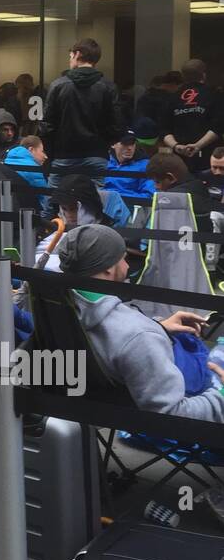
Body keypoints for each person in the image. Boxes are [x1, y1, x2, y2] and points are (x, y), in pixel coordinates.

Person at [60, 224, 224, 421]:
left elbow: (115, 340)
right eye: (123, 259)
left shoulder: (55, 305)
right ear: (109, 268)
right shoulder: (138, 336)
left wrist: (160, 327)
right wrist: (221, 396)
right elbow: (172, 415)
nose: (128, 266)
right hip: (195, 390)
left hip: (96, 397)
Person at [42, 38, 122, 186]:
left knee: (54, 201)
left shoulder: (58, 85)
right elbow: (116, 125)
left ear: (77, 54)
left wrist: (52, 151)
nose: (70, 60)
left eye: (70, 56)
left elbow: (47, 125)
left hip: (64, 155)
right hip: (96, 154)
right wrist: (104, 144)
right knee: (93, 202)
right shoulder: (108, 87)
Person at [162, 58, 223, 173]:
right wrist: (197, 145)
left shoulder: (172, 97)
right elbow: (218, 127)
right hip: (208, 155)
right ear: (204, 75)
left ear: (183, 77)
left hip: (179, 156)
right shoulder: (215, 95)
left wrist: (176, 146)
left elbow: (164, 130)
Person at [144, 152, 215, 234]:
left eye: (157, 182)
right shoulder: (199, 186)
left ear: (170, 178)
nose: (156, 186)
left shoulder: (169, 199)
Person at [105, 126, 157, 202]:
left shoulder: (145, 165)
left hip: (130, 208)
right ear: (113, 144)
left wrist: (116, 197)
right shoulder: (104, 163)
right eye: (125, 143)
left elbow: (149, 196)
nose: (129, 148)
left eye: (132, 144)